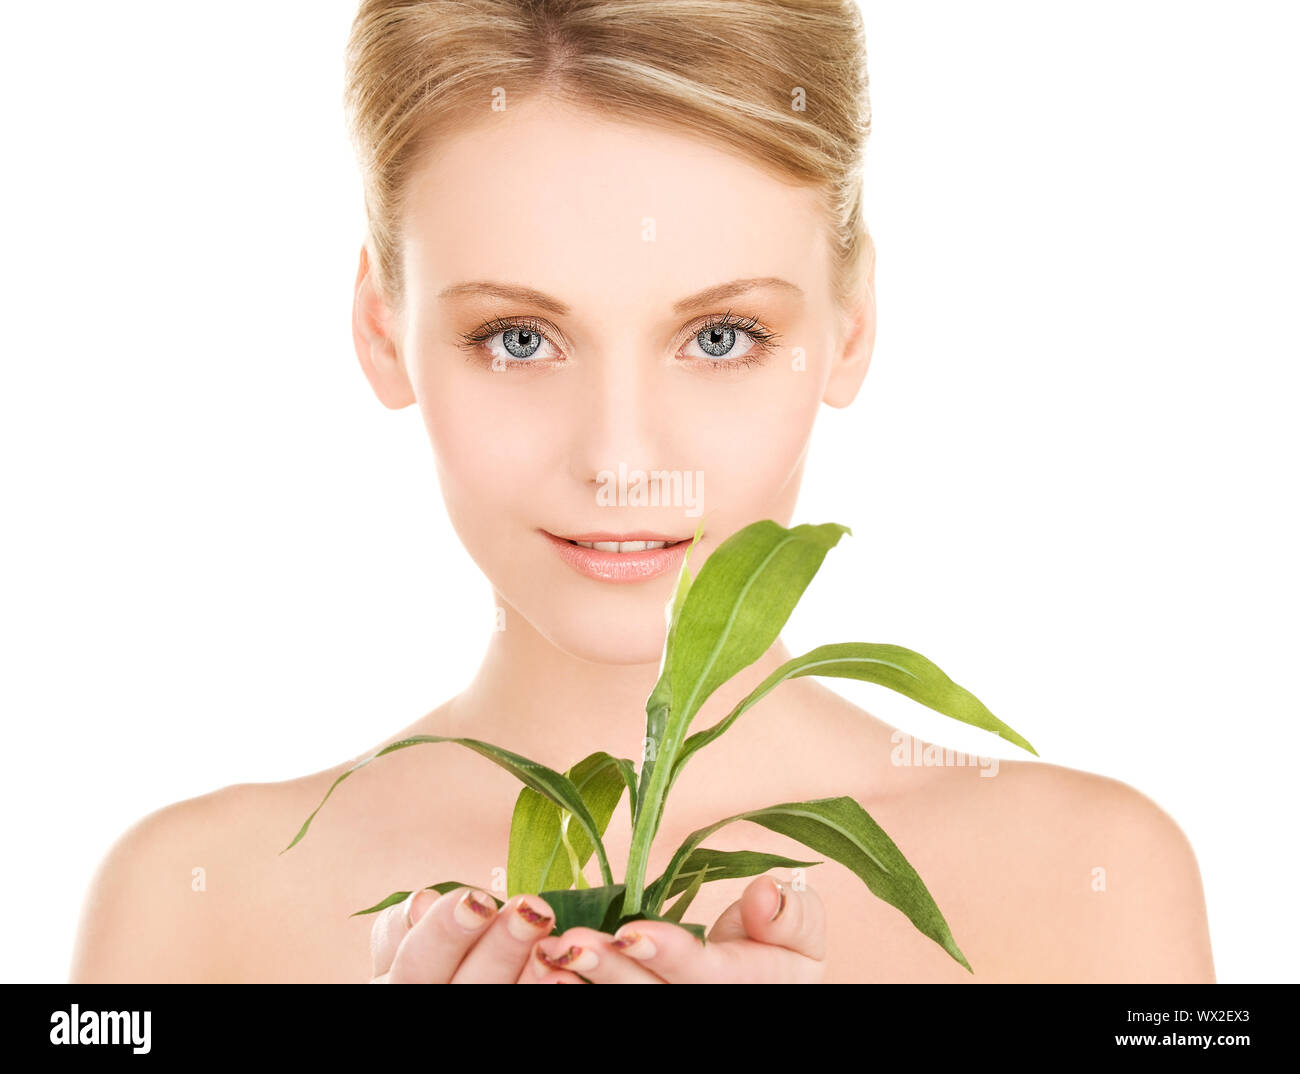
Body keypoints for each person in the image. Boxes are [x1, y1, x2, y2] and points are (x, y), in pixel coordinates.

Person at [69, 0, 1215, 983]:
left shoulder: (1094, 892)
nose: (622, 461)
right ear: (382, 329)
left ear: (852, 324)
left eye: (721, 335)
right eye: (517, 338)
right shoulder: (186, 917)